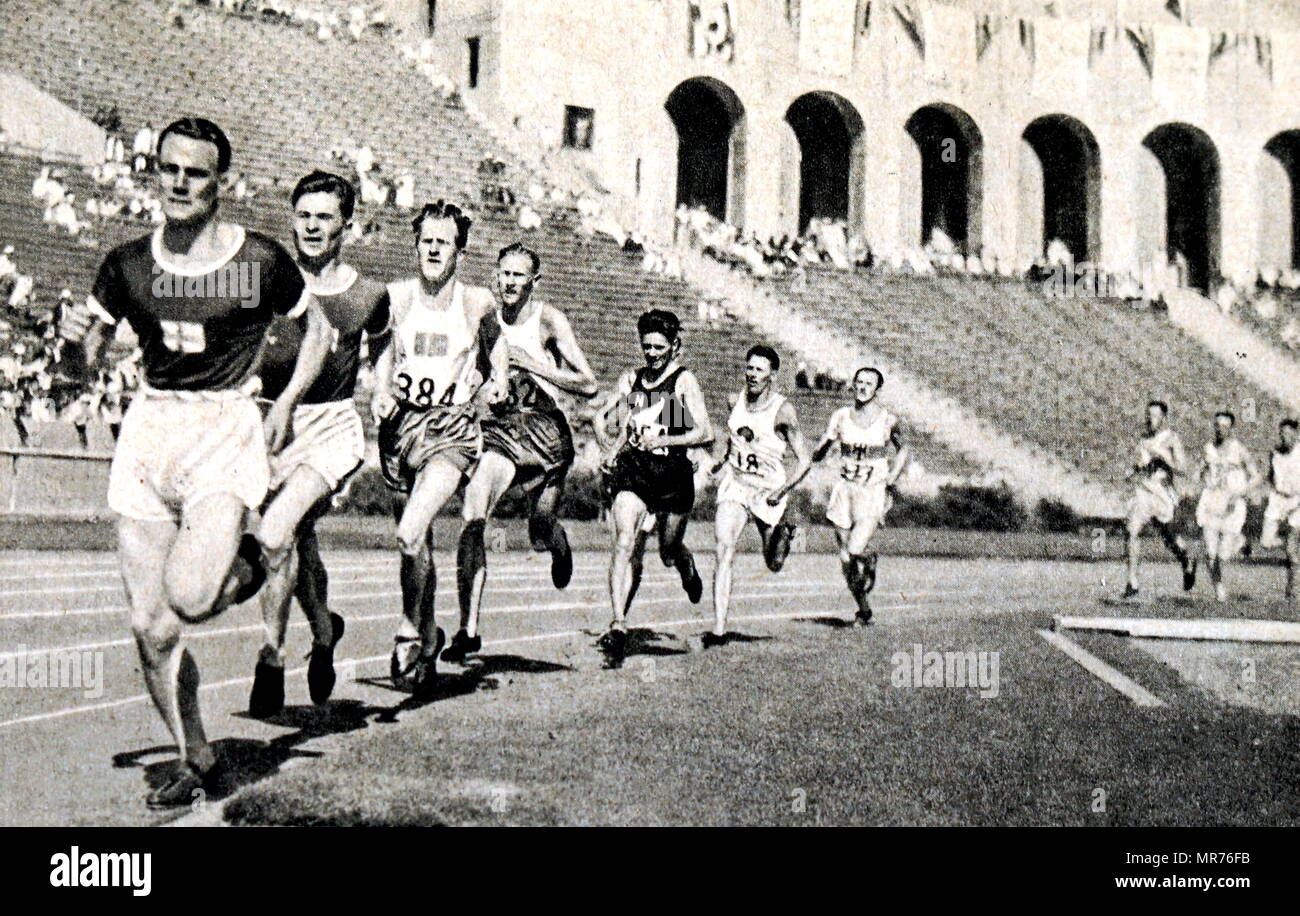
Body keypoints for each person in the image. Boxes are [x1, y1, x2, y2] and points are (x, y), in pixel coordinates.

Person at [58, 117, 331, 807]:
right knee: (151, 626)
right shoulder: (125, 264)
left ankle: (262, 551)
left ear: (221, 182)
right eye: (168, 168)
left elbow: (319, 331)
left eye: (196, 172)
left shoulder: (258, 262)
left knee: (191, 597)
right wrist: (69, 348)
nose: (179, 183)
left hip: (222, 428)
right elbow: (80, 365)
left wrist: (286, 402)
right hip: (151, 428)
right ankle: (195, 756)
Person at [246, 171, 392, 718]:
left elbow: (384, 355)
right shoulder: (270, 284)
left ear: (346, 225)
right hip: (274, 428)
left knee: (277, 529)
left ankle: (271, 656)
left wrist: (383, 391)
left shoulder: (367, 296)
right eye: (303, 215)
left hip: (330, 428)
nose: (311, 225)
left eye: (324, 216)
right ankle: (326, 631)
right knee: (297, 542)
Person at [372, 200, 506, 697]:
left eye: (443, 241)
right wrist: (381, 390)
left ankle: (409, 629)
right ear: (415, 244)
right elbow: (381, 352)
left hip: (451, 432)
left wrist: (499, 381)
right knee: (417, 545)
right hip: (400, 431)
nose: (433, 248)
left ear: (459, 250)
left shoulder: (475, 303)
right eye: (426, 239)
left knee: (409, 533)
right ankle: (429, 637)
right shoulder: (397, 297)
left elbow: (497, 345)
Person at [443, 242, 597, 663]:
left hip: (544, 431)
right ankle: (467, 629)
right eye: (504, 273)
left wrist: (534, 365)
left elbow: (589, 383)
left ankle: (558, 541)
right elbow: (476, 366)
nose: (509, 281)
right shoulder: (484, 317)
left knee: (539, 528)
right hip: (500, 429)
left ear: (534, 280)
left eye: (518, 275)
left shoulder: (548, 320)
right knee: (474, 513)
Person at [593, 309, 712, 667]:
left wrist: (667, 436)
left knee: (667, 551)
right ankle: (618, 624)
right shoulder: (631, 379)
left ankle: (687, 567)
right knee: (624, 542)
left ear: (675, 346)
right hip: (636, 475)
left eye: (659, 347)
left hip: (673, 477)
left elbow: (706, 433)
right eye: (647, 346)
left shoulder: (683, 382)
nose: (652, 354)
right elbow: (604, 417)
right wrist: (609, 450)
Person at [704, 345, 811, 647]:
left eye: (759, 370)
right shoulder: (732, 400)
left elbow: (805, 460)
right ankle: (719, 629)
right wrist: (722, 461)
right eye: (749, 368)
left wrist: (783, 491)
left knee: (773, 564)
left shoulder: (783, 410)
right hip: (736, 486)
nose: (752, 374)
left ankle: (784, 535)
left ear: (772, 376)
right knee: (723, 548)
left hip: (768, 492)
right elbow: (734, 438)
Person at [809, 368, 909, 625]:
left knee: (854, 549)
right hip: (845, 490)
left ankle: (867, 559)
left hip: (872, 491)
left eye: (869, 384)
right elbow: (825, 444)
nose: (863, 387)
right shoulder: (841, 416)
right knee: (845, 557)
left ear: (877, 390)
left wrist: (892, 478)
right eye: (859, 382)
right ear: (853, 385)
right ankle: (864, 611)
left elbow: (904, 449)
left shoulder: (888, 420)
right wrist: (819, 450)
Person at [1122, 400, 1196, 599]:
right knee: (1132, 530)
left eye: (1155, 415)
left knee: (1171, 539)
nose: (1150, 419)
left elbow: (1183, 468)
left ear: (1163, 418)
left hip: (1163, 493)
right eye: (1148, 414)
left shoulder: (1172, 438)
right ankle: (1132, 582)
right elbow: (1140, 464)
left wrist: (1164, 459)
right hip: (1145, 491)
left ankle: (1187, 561)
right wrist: (1132, 470)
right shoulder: (1143, 439)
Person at [1195, 411, 1262, 602]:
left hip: (1233, 502)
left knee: (1223, 554)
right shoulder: (1208, 448)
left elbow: (1256, 477)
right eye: (1217, 425)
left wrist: (1240, 492)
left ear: (1231, 428)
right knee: (1210, 552)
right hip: (1211, 501)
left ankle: (1240, 541)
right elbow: (1199, 472)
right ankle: (1219, 590)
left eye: (1225, 426)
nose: (1220, 429)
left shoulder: (1238, 449)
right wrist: (1200, 479)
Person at [1259, 418, 1300, 601]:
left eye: (1290, 434)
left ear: (1296, 435)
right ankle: (1289, 547)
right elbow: (1270, 475)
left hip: (1297, 500)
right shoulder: (1274, 453)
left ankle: (1292, 592)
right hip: (1278, 499)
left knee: (1291, 551)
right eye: (1283, 433)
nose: (1286, 437)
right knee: (1266, 543)